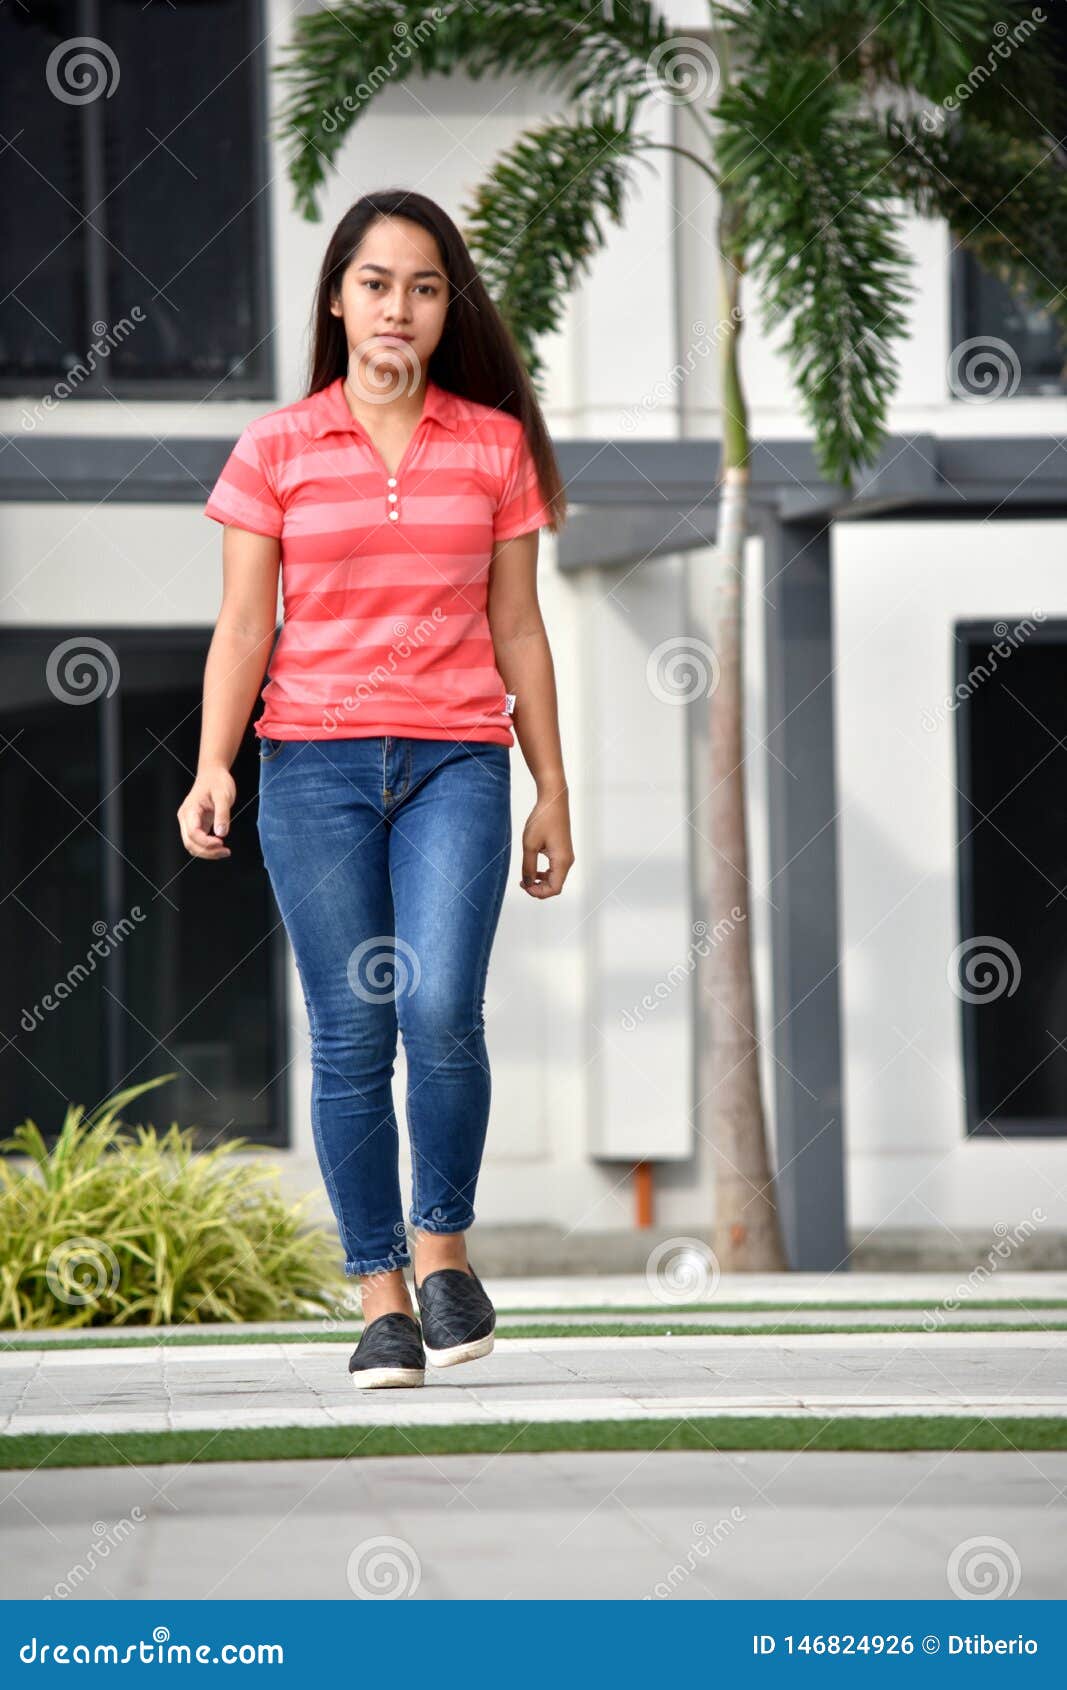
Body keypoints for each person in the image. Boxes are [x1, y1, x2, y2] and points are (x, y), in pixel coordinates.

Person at [176, 189, 573, 1389]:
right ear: (338, 297)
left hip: (456, 759)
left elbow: (518, 626)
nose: (397, 306)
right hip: (312, 768)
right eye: (375, 282)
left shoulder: (494, 446)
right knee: (351, 1033)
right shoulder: (277, 448)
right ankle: (380, 1294)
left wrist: (552, 784)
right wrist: (213, 760)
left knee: (440, 1007)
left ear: (449, 307)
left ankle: (442, 1252)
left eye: (424, 285)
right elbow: (246, 623)